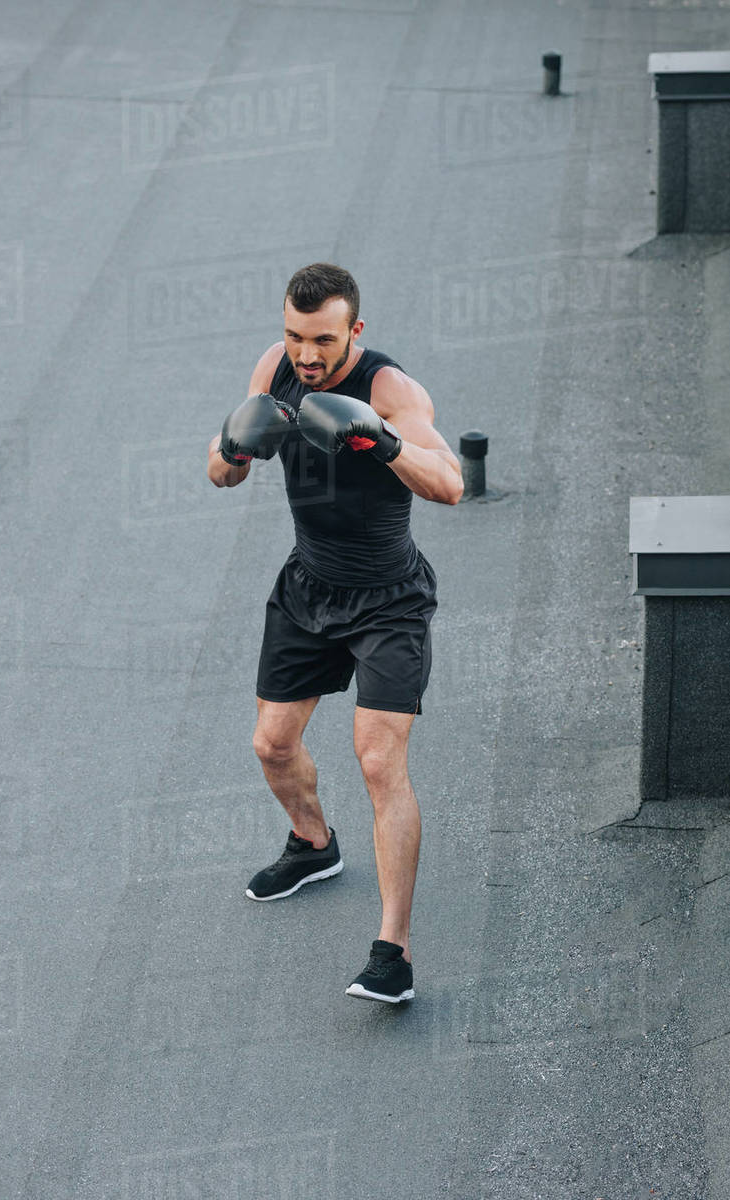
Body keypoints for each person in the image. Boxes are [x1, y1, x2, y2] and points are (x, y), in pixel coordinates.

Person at [207, 263, 463, 1003]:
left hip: (388, 601)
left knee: (378, 761)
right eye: (293, 336)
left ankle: (393, 952)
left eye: (321, 340)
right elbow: (218, 474)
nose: (305, 355)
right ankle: (313, 844)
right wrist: (235, 445)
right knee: (271, 744)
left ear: (354, 331)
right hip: (307, 588)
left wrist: (379, 442)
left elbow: (449, 485)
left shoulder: (390, 391)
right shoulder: (274, 368)